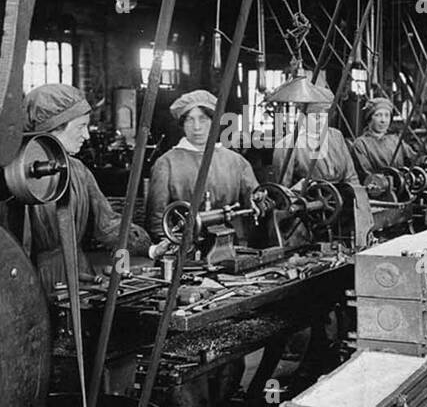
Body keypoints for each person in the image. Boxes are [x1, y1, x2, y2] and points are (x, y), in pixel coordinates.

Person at [24, 83, 150, 290]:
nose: (87, 136)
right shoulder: (19, 176)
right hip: (35, 280)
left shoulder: (78, 170)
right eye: (81, 127)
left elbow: (107, 224)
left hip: (79, 272)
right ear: (53, 129)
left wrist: (150, 249)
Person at [146, 89, 258, 239]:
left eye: (203, 119)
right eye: (189, 120)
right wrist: (169, 248)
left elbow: (257, 203)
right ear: (182, 124)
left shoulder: (236, 162)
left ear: (214, 122)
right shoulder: (166, 164)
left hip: (231, 246)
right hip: (184, 248)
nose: (197, 127)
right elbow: (157, 220)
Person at [271, 99, 360, 184]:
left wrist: (357, 196)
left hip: (341, 196)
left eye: (325, 115)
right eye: (316, 116)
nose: (321, 121)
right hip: (307, 197)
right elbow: (283, 191)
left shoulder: (336, 136)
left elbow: (351, 177)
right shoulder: (286, 145)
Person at [350, 97, 415, 174]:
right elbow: (366, 174)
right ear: (369, 119)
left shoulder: (395, 140)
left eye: (387, 115)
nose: (383, 120)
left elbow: (414, 159)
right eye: (378, 115)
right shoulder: (361, 144)